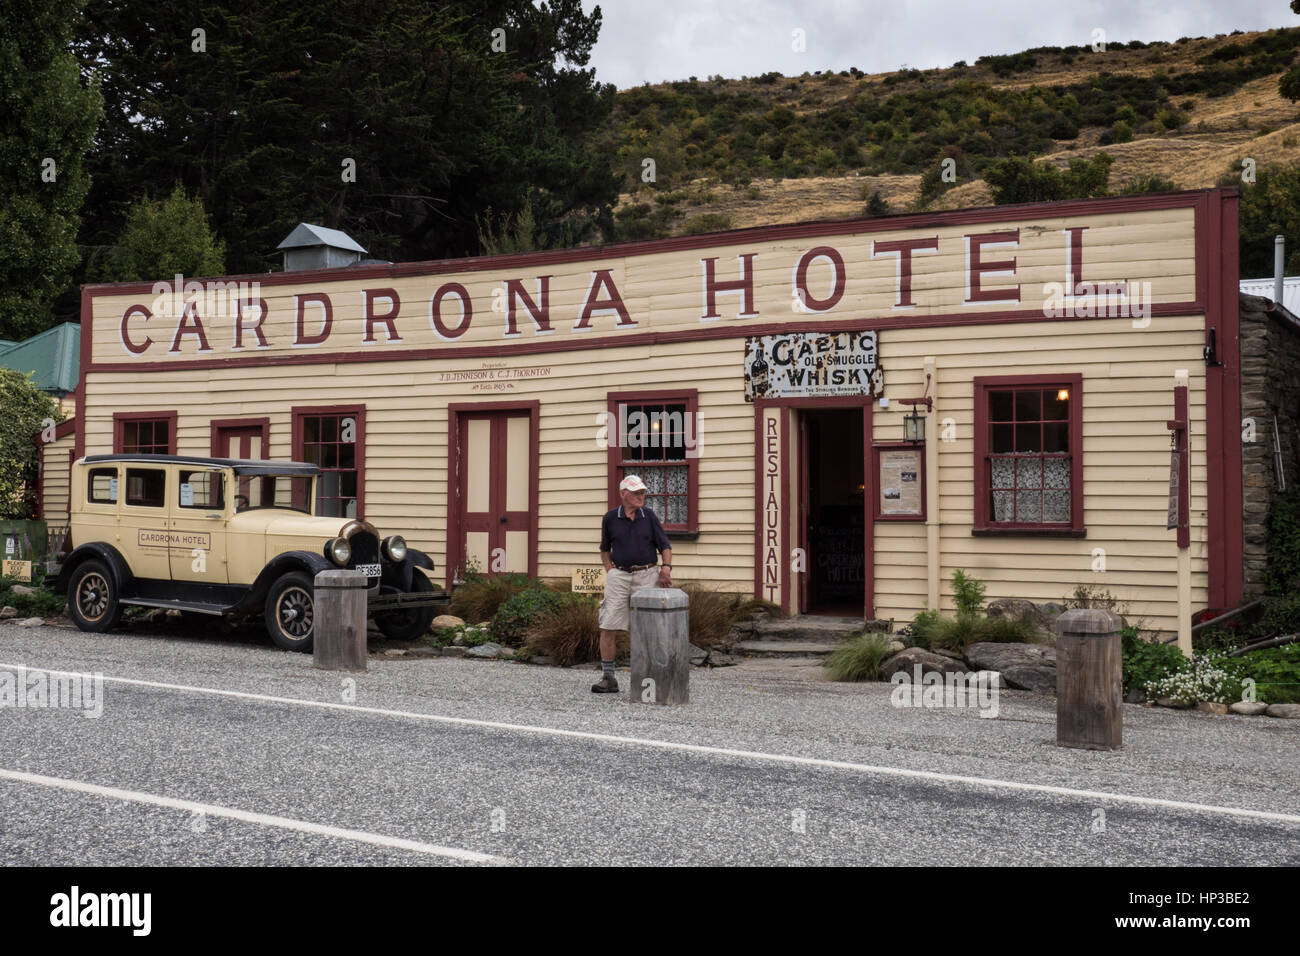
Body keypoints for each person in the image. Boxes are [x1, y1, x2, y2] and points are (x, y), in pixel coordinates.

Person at [592, 474, 672, 693]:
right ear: (623, 494)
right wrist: (611, 572)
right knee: (608, 625)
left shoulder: (649, 516)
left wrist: (666, 567)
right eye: (636, 493)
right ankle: (609, 679)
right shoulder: (609, 518)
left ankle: (652, 679)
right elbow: (604, 549)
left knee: (650, 626)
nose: (641, 496)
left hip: (647, 574)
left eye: (642, 493)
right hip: (619, 576)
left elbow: (665, 545)